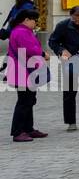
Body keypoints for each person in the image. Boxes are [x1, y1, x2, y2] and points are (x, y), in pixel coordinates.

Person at [7, 8, 48, 142]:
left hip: (26, 71)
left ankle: (28, 129)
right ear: (26, 20)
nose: (35, 23)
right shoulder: (21, 32)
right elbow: (30, 49)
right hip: (23, 72)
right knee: (24, 102)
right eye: (34, 20)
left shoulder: (23, 31)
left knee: (29, 101)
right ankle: (17, 132)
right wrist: (43, 54)